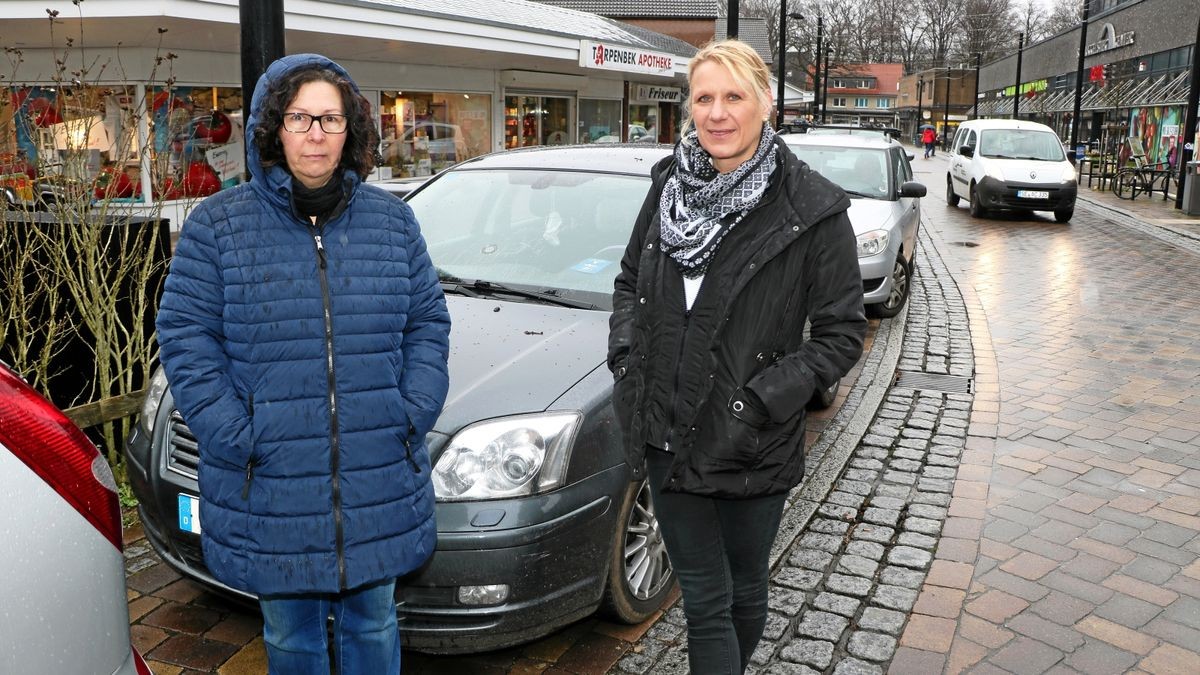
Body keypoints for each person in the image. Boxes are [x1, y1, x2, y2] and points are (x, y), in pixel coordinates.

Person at [155, 54, 451, 675]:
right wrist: (237, 433)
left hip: (377, 475)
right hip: (273, 481)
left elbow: (427, 321)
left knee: (375, 624)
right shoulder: (217, 226)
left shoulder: (393, 223)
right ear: (273, 127)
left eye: (330, 118)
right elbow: (185, 335)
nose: (315, 133)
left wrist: (412, 409)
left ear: (351, 130)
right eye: (299, 117)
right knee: (292, 638)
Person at [607, 40, 866, 675]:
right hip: (666, 433)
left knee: (746, 589)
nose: (717, 113)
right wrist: (626, 359)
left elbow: (840, 334)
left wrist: (757, 401)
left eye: (734, 96)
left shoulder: (813, 210)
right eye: (704, 98)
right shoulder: (668, 186)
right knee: (704, 601)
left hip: (749, 441)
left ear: (765, 103)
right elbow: (628, 281)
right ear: (688, 107)